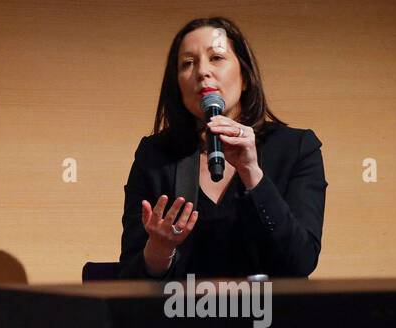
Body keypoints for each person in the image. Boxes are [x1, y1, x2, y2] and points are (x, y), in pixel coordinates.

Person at [118, 16, 326, 279]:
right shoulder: (155, 155)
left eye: (216, 58)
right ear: (178, 86)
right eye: (187, 63)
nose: (202, 71)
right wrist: (159, 249)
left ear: (246, 76)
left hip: (269, 315)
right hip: (180, 314)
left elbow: (301, 261)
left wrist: (253, 174)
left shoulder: (296, 148)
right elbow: (129, 278)